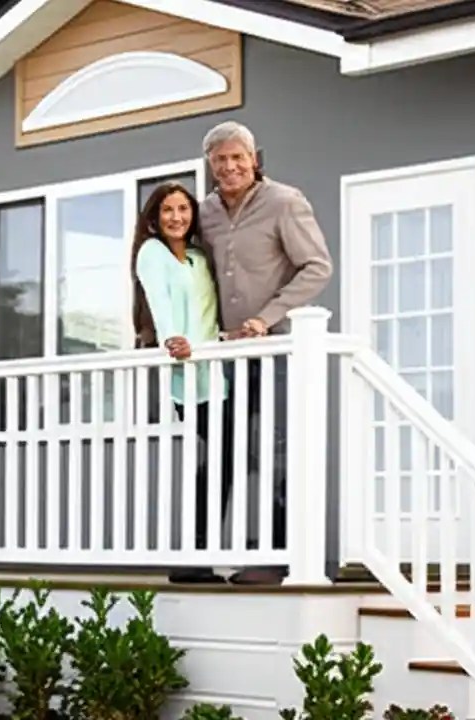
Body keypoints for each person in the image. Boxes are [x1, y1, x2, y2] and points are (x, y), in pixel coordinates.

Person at [192, 120, 334, 585]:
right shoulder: (204, 212)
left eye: (238, 157)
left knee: (276, 453)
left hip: (277, 351)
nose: (230, 166)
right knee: (220, 451)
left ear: (255, 159)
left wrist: (266, 317)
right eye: (220, 159)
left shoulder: (285, 202)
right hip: (225, 355)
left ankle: (278, 558)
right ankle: (202, 556)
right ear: (211, 165)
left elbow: (317, 267)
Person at [131, 181, 235, 584]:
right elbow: (157, 297)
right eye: (168, 210)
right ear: (155, 218)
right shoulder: (151, 252)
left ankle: (200, 551)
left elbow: (210, 308)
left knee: (225, 455)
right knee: (222, 452)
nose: (177, 217)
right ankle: (194, 552)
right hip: (186, 371)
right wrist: (171, 336)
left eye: (184, 209)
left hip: (218, 372)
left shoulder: (197, 257)